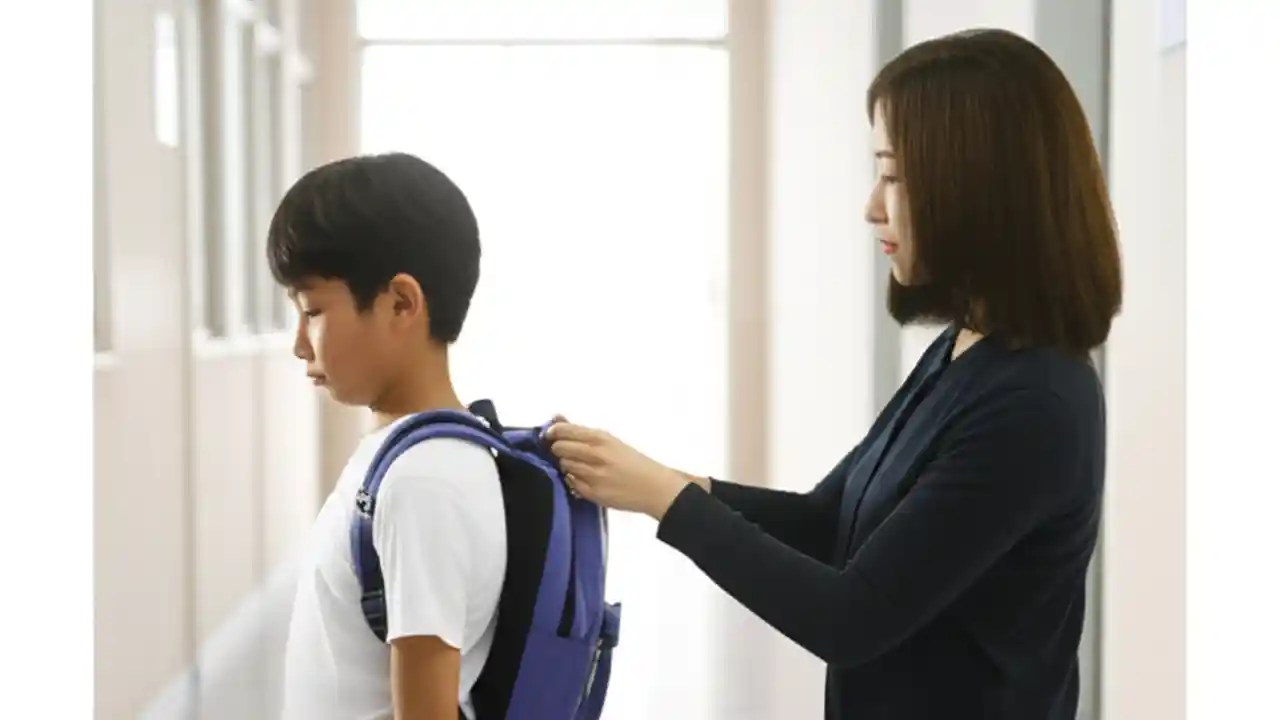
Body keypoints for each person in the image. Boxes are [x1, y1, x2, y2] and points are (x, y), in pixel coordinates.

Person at [546, 28, 1122, 720]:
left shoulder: (1037, 403)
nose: (872, 205)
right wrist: (656, 480)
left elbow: (850, 617)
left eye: (894, 173)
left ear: (974, 182)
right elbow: (828, 522)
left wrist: (670, 500)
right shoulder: (965, 351)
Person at [271, 153, 505, 720]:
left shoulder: (423, 481)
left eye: (313, 311)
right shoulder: (404, 458)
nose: (300, 343)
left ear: (401, 303)